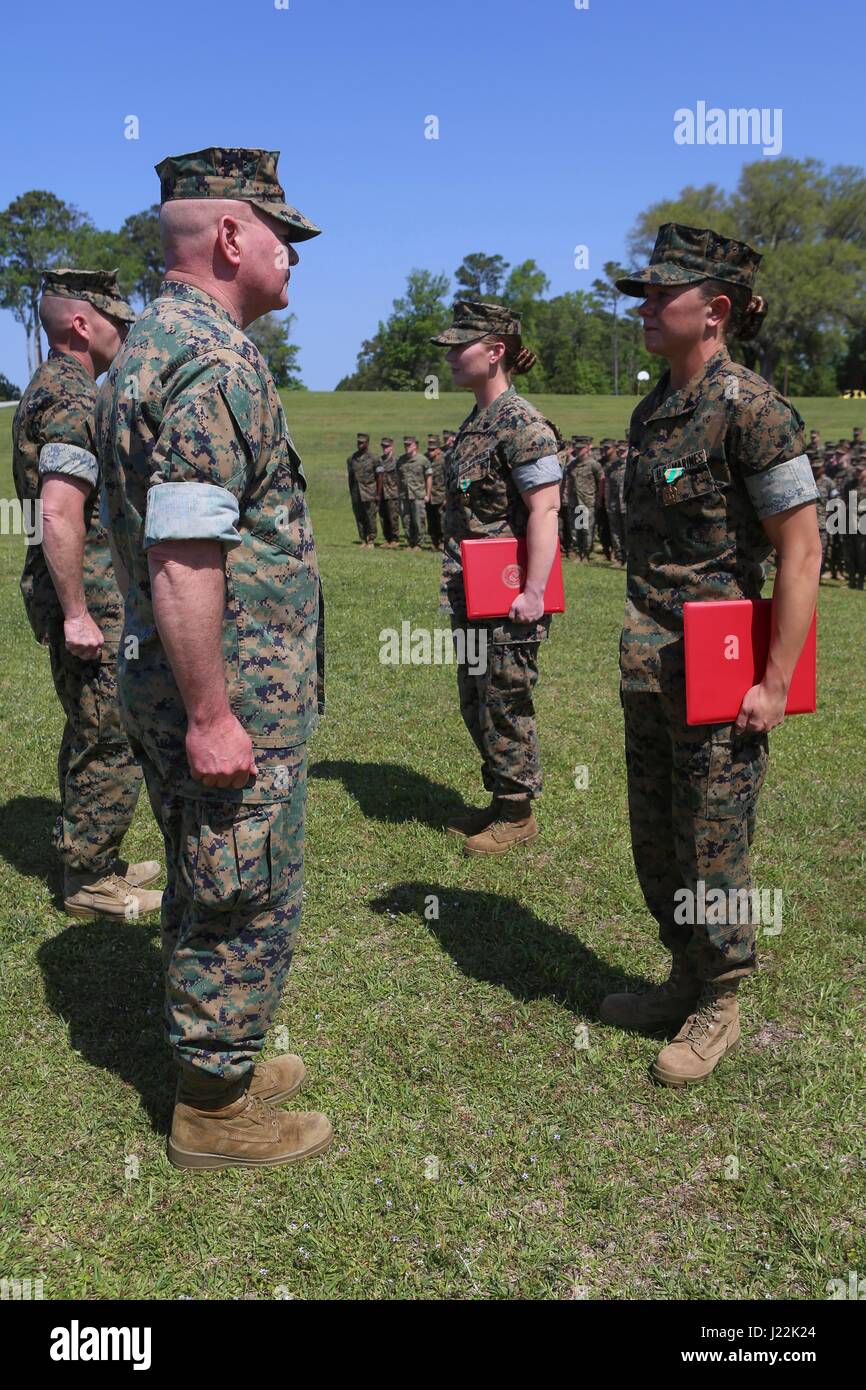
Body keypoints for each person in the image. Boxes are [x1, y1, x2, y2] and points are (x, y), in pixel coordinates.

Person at [96, 146, 332, 1169]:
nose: (294, 257)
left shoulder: (144, 346)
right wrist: (213, 714)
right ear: (232, 237)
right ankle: (212, 1108)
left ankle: (221, 1056)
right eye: (284, 234)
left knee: (208, 867)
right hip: (223, 683)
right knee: (243, 878)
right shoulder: (214, 362)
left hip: (170, 669)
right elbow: (186, 553)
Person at [600, 223, 821, 1086]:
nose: (646, 306)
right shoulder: (653, 409)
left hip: (724, 671)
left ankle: (719, 1000)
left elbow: (801, 552)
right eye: (643, 293)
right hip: (649, 661)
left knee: (713, 841)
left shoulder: (756, 411)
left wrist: (774, 680)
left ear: (716, 311)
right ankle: (680, 974)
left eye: (663, 294)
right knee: (656, 835)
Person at [12, 268, 162, 920]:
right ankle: (91, 883)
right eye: (116, 320)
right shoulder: (71, 400)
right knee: (110, 734)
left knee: (92, 728)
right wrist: (77, 612)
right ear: (81, 323)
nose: (125, 331)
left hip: (94, 594)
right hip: (92, 600)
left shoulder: (57, 390)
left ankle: (92, 853)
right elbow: (59, 512)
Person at [430, 300, 561, 855]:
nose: (453, 356)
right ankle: (499, 797)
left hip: (510, 596)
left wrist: (534, 591)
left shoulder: (522, 424)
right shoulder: (475, 423)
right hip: (472, 590)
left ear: (496, 351)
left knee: (506, 699)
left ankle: (517, 813)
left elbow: (545, 510)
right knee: (475, 698)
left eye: (463, 345)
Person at [347, 432, 379, 546]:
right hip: (356, 493)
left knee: (370, 517)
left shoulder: (374, 458)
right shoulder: (352, 459)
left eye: (362, 443)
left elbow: (379, 477)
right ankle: (363, 539)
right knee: (359, 517)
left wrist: (378, 493)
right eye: (358, 442)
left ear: (367, 443)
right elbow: (350, 478)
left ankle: (371, 539)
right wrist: (351, 492)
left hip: (369, 492)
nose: (359, 444)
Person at [572, 435, 600, 561]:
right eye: (577, 448)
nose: (579, 450)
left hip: (588, 502)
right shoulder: (572, 465)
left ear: (587, 448)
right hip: (576, 503)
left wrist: (599, 499)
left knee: (587, 530)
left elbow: (601, 482)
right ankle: (579, 553)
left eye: (582, 448)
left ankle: (587, 554)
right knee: (577, 529)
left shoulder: (594, 465)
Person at [397, 435, 427, 549]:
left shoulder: (422, 460)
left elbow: (428, 477)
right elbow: (398, 477)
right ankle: (410, 542)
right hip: (404, 495)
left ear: (415, 445)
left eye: (409, 444)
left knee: (418, 520)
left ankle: (418, 543)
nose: (407, 447)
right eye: (405, 445)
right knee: (406, 520)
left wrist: (427, 493)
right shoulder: (400, 460)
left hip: (417, 495)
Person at [376, 436, 401, 546]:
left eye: (387, 446)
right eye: (383, 446)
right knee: (383, 517)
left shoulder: (397, 460)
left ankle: (395, 539)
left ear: (392, 447)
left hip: (393, 493)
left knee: (393, 517)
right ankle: (388, 539)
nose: (385, 448)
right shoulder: (379, 460)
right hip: (382, 494)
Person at [424, 434, 446, 550]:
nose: (430, 452)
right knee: (431, 520)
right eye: (428, 449)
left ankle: (443, 541)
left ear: (438, 449)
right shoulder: (426, 460)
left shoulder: (444, 460)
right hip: (429, 496)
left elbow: (448, 478)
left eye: (432, 450)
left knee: (441, 520)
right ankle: (434, 541)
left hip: (440, 495)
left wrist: (447, 497)